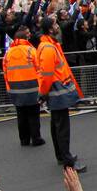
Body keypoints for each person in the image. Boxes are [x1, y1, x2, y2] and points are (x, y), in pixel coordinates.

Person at [36, 17, 84, 172]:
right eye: (55, 24)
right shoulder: (49, 47)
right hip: (57, 92)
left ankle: (62, 156)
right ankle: (68, 161)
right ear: (50, 29)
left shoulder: (48, 45)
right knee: (62, 128)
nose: (58, 26)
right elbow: (47, 74)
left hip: (55, 91)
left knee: (56, 125)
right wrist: (42, 93)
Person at [2, 26, 44, 148]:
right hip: (32, 87)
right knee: (33, 114)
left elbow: (5, 73)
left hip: (15, 89)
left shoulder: (8, 53)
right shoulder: (31, 50)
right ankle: (36, 138)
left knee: (21, 115)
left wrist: (9, 88)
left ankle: (24, 139)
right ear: (25, 38)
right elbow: (39, 69)